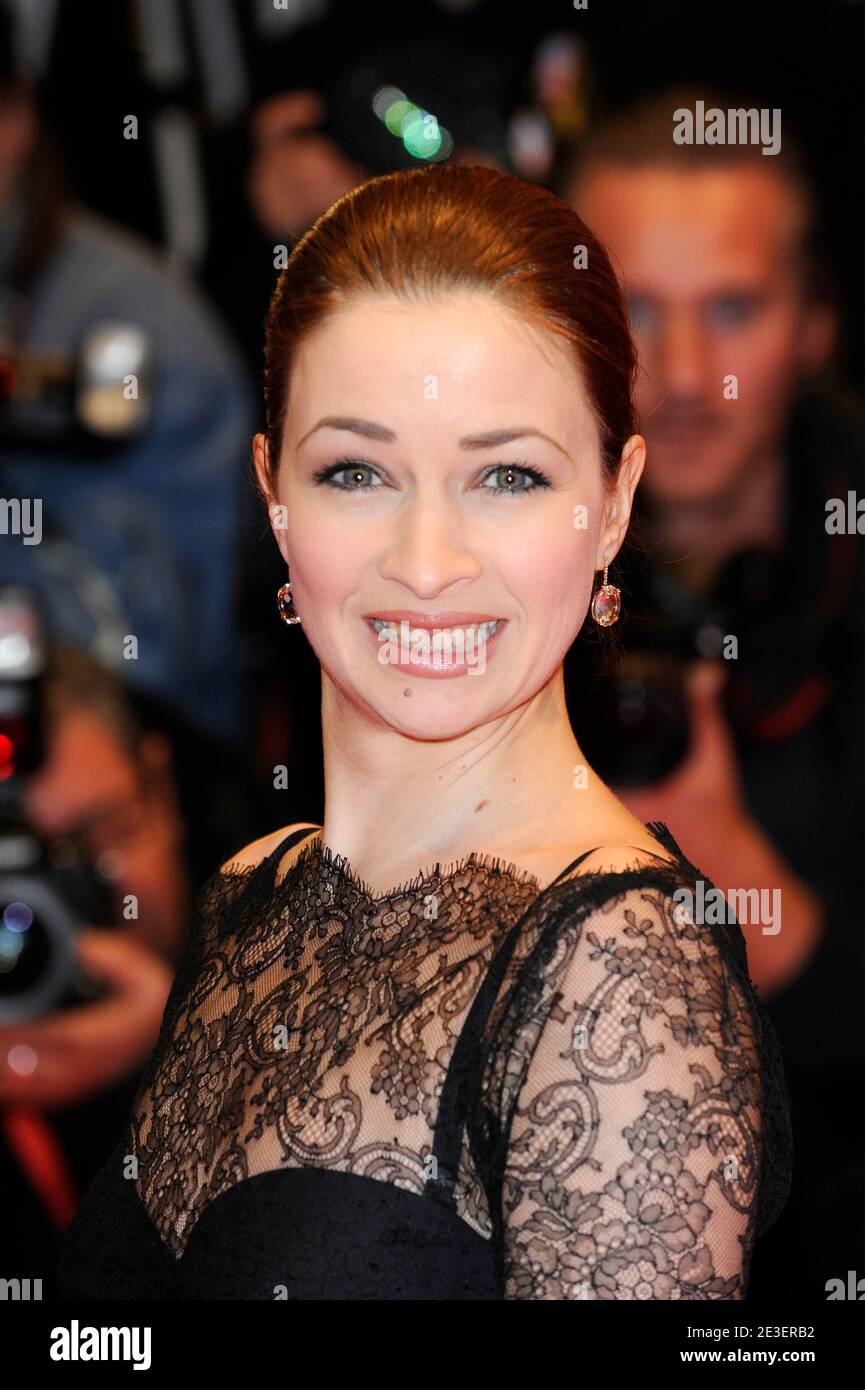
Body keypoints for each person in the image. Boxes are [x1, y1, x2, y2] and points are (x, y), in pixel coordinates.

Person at [55, 164, 792, 1301]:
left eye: (507, 475)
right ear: (272, 493)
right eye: (357, 471)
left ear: (615, 500)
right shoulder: (255, 894)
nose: (427, 562)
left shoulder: (617, 973)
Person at [560, 84, 865, 1299]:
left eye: (731, 308)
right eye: (633, 308)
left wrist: (754, 897)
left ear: (815, 323)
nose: (682, 375)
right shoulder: (456, 551)